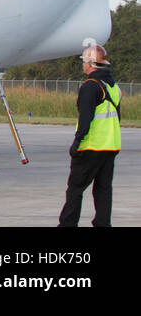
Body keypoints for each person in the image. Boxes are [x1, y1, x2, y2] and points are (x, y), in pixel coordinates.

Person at [57, 43, 121, 227]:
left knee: (75, 189)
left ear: (92, 64)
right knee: (103, 190)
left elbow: (85, 119)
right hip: (111, 146)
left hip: (91, 146)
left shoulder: (90, 86)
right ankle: (103, 224)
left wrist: (77, 143)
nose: (83, 64)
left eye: (85, 61)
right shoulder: (113, 87)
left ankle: (67, 224)